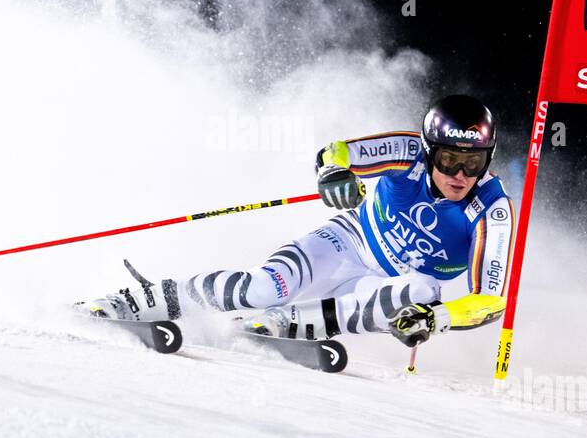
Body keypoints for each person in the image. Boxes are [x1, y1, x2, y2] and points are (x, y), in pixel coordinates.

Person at [81, 94, 514, 346]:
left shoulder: (492, 211)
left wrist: (434, 319)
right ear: (429, 149)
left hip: (378, 287)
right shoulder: (407, 151)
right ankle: (149, 297)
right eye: (449, 159)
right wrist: (333, 173)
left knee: (425, 291)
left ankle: (286, 323)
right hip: (346, 243)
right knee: (264, 287)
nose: (460, 175)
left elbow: (490, 301)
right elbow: (337, 152)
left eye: (473, 162)